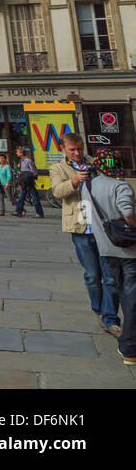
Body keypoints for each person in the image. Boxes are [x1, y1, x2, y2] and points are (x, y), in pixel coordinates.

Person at [50, 133, 121, 339]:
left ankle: (110, 319)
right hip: (81, 227)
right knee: (92, 275)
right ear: (63, 148)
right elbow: (57, 191)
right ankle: (98, 310)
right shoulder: (58, 168)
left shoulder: (93, 162)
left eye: (79, 148)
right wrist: (73, 181)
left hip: (103, 226)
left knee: (110, 275)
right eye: (72, 149)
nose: (77, 153)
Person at [74, 147, 136, 366]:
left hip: (105, 248)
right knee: (130, 297)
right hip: (128, 251)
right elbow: (127, 212)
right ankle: (129, 346)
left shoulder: (87, 186)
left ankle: (115, 325)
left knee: (120, 289)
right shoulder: (121, 186)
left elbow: (86, 217)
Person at [14, 146, 45, 218]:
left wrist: (25, 173)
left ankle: (39, 213)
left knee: (35, 197)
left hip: (29, 182)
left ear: (21, 153)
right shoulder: (21, 161)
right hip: (24, 182)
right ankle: (18, 211)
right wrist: (20, 172)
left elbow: (34, 172)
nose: (16, 153)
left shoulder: (28, 161)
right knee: (21, 196)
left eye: (17, 152)